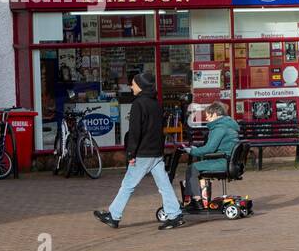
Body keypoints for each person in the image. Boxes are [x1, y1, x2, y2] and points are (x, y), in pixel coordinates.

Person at [93, 71, 183, 229]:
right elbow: (159, 129)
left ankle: (114, 216)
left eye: (133, 84)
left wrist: (130, 153)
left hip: (143, 152)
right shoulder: (156, 103)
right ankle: (174, 214)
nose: (130, 86)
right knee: (164, 185)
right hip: (156, 152)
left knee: (128, 184)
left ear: (140, 86)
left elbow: (135, 131)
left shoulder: (138, 104)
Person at [182, 101, 240, 212]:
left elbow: (209, 149)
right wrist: (198, 149)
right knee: (197, 167)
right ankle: (199, 198)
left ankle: (196, 201)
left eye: (208, 115)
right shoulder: (229, 125)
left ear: (215, 114)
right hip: (228, 161)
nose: (207, 119)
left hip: (222, 161)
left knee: (192, 168)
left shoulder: (219, 128)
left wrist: (192, 151)